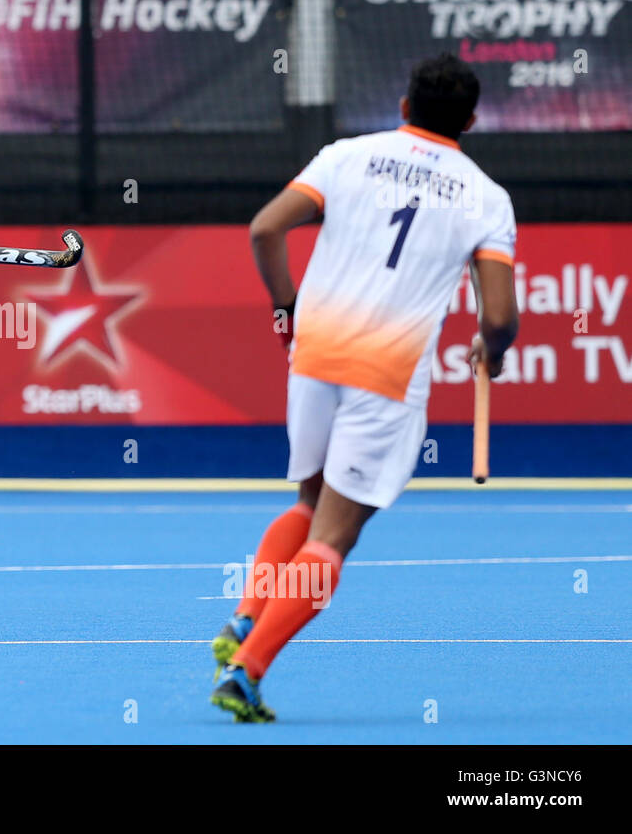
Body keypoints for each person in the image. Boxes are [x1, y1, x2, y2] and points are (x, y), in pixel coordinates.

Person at [210, 53, 520, 720]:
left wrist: (285, 304)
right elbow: (498, 318)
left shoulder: (346, 155)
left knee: (308, 498)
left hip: (315, 356)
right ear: (470, 121)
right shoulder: (488, 198)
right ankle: (247, 670)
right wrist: (491, 351)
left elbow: (265, 227)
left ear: (404, 107)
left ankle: (244, 617)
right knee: (333, 537)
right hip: (385, 377)